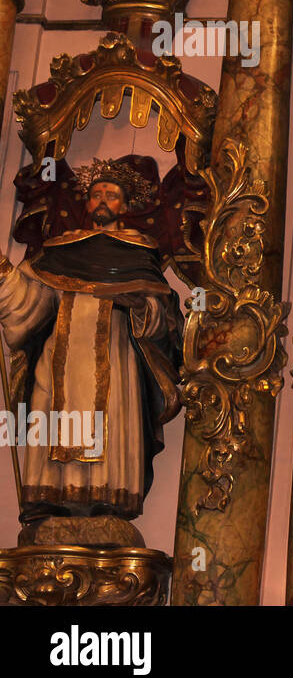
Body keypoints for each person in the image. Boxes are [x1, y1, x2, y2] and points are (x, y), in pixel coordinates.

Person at [0, 158, 182, 523]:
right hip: (60, 357)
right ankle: (49, 497)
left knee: (111, 415)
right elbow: (33, 303)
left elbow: (165, 319)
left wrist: (140, 308)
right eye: (96, 194)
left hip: (114, 358)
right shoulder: (61, 251)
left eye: (111, 195)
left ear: (125, 205)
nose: (101, 200)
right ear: (86, 202)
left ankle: (106, 496)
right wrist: (5, 276)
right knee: (52, 411)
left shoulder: (137, 254)